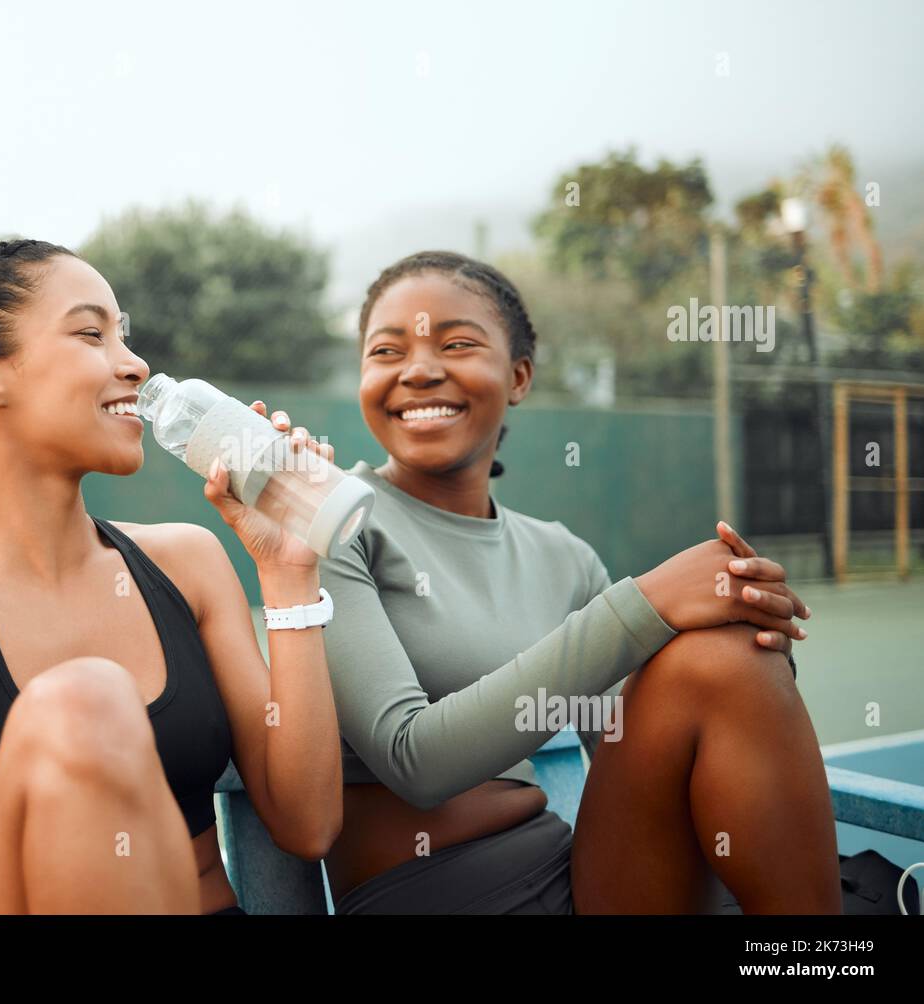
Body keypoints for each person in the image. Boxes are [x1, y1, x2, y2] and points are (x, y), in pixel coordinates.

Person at [316, 249, 840, 914]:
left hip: (580, 880)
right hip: (434, 894)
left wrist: (747, 638)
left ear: (519, 376)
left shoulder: (562, 556)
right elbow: (415, 763)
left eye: (456, 343)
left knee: (728, 662)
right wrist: (645, 604)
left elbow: (660, 744)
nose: (419, 370)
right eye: (386, 352)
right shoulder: (333, 519)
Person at [0, 239, 342, 915]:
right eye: (91, 333)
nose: (133, 364)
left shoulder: (186, 564)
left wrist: (286, 577)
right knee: (85, 703)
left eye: (123, 336)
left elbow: (307, 826)